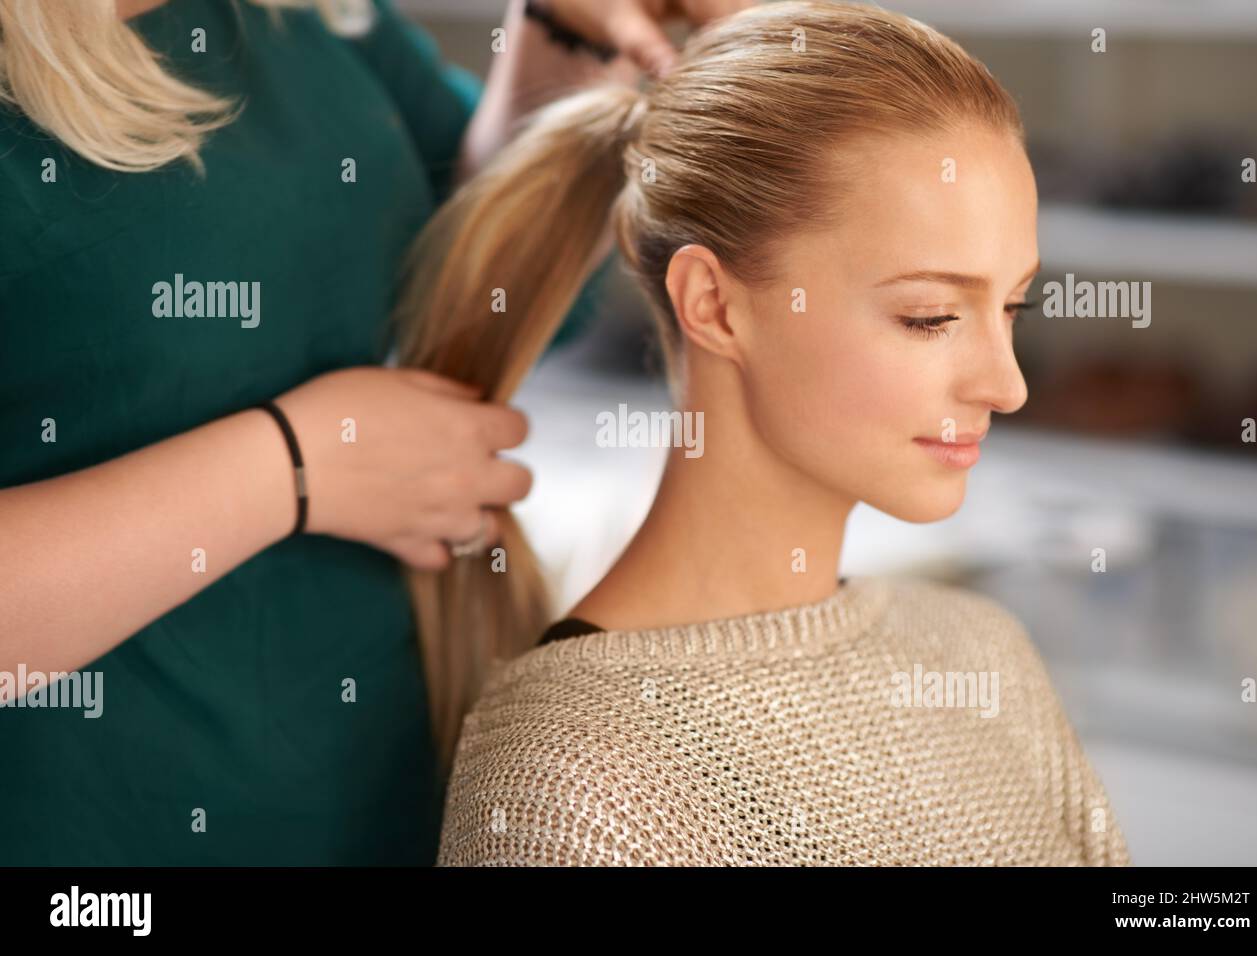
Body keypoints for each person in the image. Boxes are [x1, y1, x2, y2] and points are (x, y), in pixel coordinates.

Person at [0, 0, 747, 865]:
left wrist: (563, 42)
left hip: (382, 793)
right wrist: (293, 467)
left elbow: (477, 280)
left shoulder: (310, 18)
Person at [392, 0, 1134, 866]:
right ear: (713, 304)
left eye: (1011, 307)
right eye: (931, 317)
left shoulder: (984, 654)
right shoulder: (576, 775)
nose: (1007, 386)